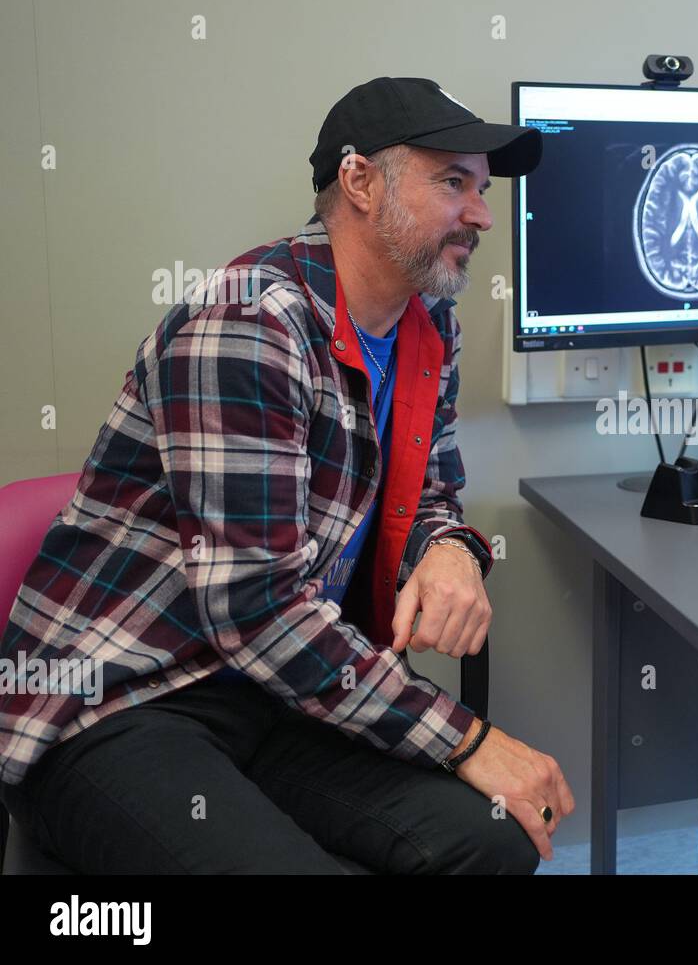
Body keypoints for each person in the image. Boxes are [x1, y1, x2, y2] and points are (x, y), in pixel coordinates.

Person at [0, 77, 574, 873]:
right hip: (129, 698)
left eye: (481, 188)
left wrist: (452, 551)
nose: (481, 213)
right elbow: (255, 609)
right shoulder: (247, 327)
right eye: (453, 182)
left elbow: (431, 491)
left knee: (494, 836)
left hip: (279, 690)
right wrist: (465, 739)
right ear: (359, 182)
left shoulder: (426, 322)